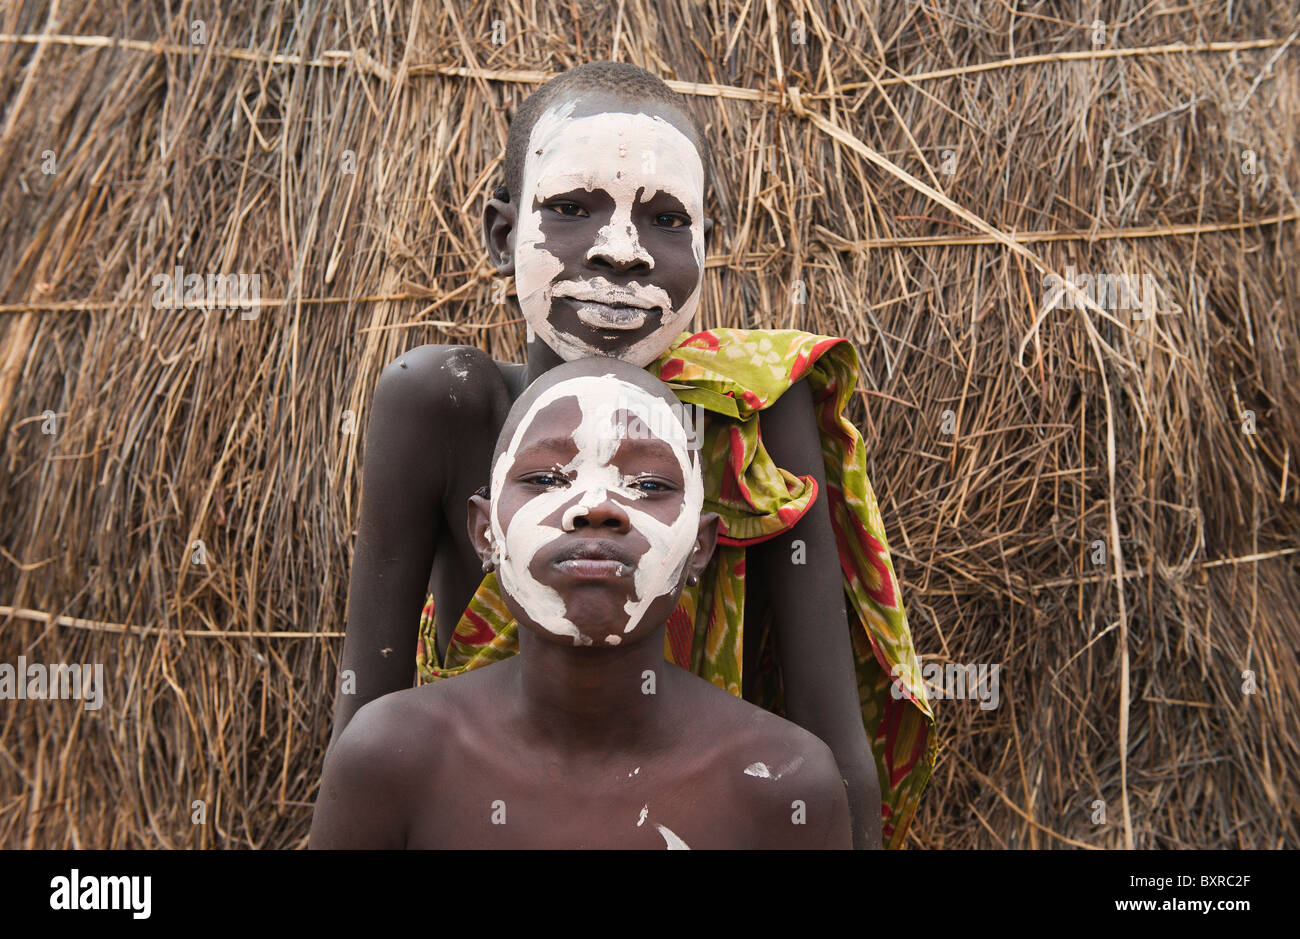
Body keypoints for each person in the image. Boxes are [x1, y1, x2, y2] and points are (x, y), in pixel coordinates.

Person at [328, 60, 934, 849]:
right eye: (573, 208)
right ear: (503, 233)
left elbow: (829, 724)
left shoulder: (752, 406)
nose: (622, 252)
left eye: (667, 220)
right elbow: (366, 705)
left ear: (710, 239)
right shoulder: (441, 401)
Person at [311, 361, 851, 849]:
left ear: (699, 549)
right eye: (546, 479)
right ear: (484, 534)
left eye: (648, 483)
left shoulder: (783, 783)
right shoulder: (390, 757)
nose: (595, 508)